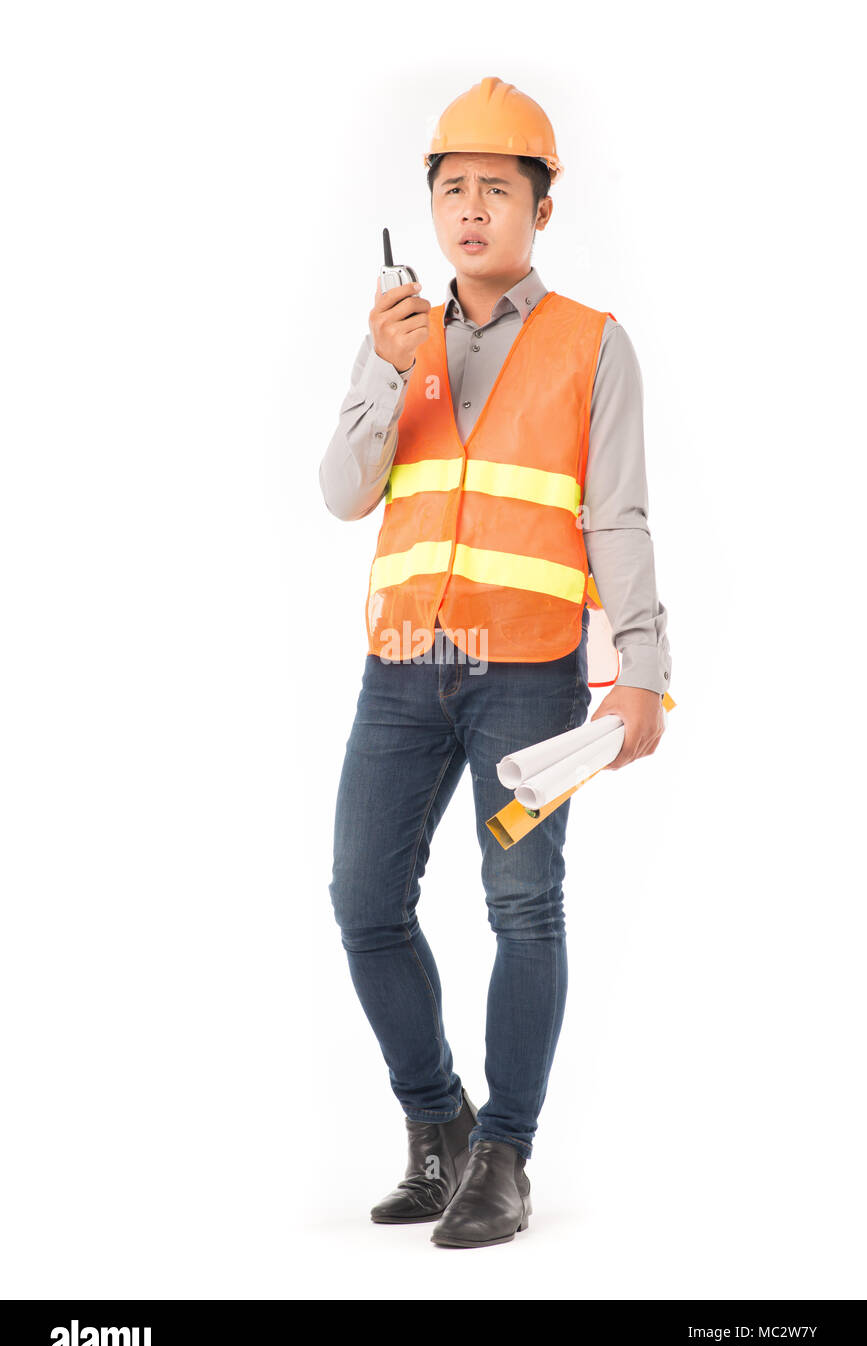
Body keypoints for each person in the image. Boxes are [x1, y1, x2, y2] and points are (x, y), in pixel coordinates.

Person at [319, 77, 672, 1248]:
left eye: (496, 189)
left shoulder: (590, 345)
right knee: (364, 900)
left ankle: (506, 1153)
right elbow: (341, 494)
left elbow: (616, 517)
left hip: (528, 677)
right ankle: (440, 1128)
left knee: (524, 907)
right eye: (452, 189)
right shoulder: (399, 338)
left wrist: (643, 668)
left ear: (541, 207)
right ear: (431, 206)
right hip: (403, 667)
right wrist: (380, 368)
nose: (471, 210)